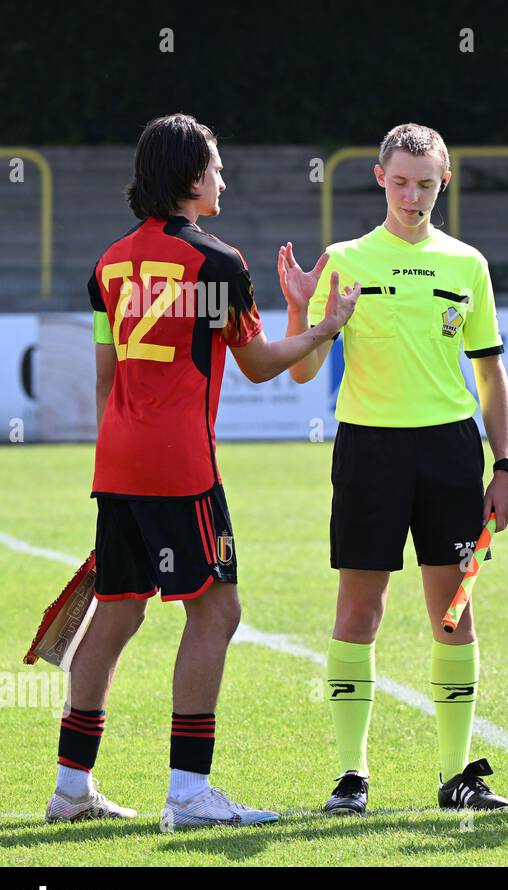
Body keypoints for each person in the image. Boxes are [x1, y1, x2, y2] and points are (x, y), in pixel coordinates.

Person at [47, 113, 360, 827]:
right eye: (215, 166)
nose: (223, 178)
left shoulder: (110, 263)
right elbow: (257, 367)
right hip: (179, 465)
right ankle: (188, 794)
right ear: (191, 177)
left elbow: (104, 377)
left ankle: (71, 788)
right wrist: (322, 325)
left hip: (118, 458)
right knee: (217, 611)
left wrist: (121, 446)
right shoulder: (217, 264)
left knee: (118, 612)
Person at [283, 123, 508, 814]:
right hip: (369, 450)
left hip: (450, 451)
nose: (413, 194)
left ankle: (457, 777)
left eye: (426, 182)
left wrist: (505, 466)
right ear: (381, 179)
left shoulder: (466, 264)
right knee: (360, 610)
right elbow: (301, 373)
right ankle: (352, 775)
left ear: (442, 182)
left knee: (454, 613)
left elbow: (491, 373)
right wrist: (305, 308)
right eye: (401, 181)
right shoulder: (343, 259)